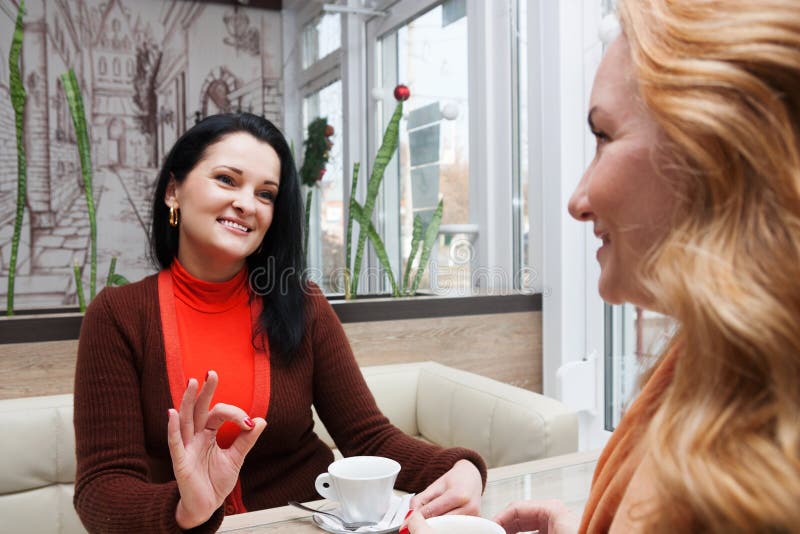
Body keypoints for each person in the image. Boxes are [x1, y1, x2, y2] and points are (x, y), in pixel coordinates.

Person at [403, 0, 800, 532]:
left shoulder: (748, 475)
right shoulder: (715, 377)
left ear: (717, 151)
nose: (578, 199)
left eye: (604, 136)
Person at [73, 112, 486, 533]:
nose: (247, 203)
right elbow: (100, 488)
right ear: (173, 190)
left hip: (306, 523)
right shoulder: (117, 315)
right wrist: (185, 508)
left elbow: (369, 437)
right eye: (227, 179)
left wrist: (458, 466)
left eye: (266, 193)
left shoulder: (302, 304)